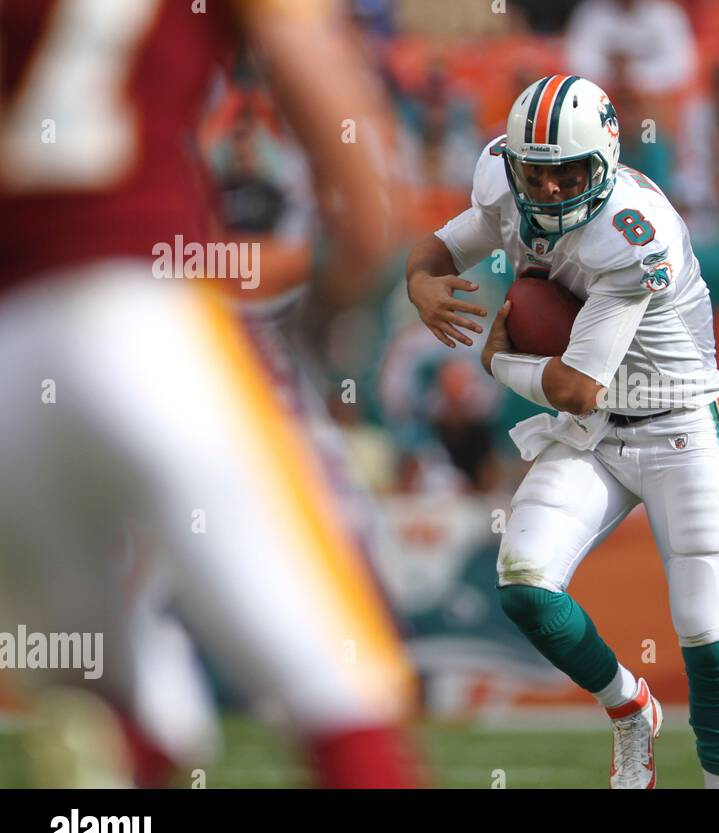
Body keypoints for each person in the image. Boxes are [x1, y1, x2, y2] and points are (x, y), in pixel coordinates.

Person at [0, 0, 422, 786]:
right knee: (346, 705)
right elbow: (364, 196)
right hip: (143, 320)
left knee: (108, 730)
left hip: (8, 370)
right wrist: (332, 313)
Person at [405, 75, 719, 789]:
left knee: (704, 634)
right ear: (514, 165)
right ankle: (630, 707)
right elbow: (435, 253)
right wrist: (423, 284)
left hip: (676, 422)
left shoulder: (633, 234)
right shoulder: (504, 187)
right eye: (539, 172)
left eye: (570, 173)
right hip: (594, 430)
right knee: (525, 584)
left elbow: (573, 384)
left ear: (606, 164)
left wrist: (498, 359)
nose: (553, 189)